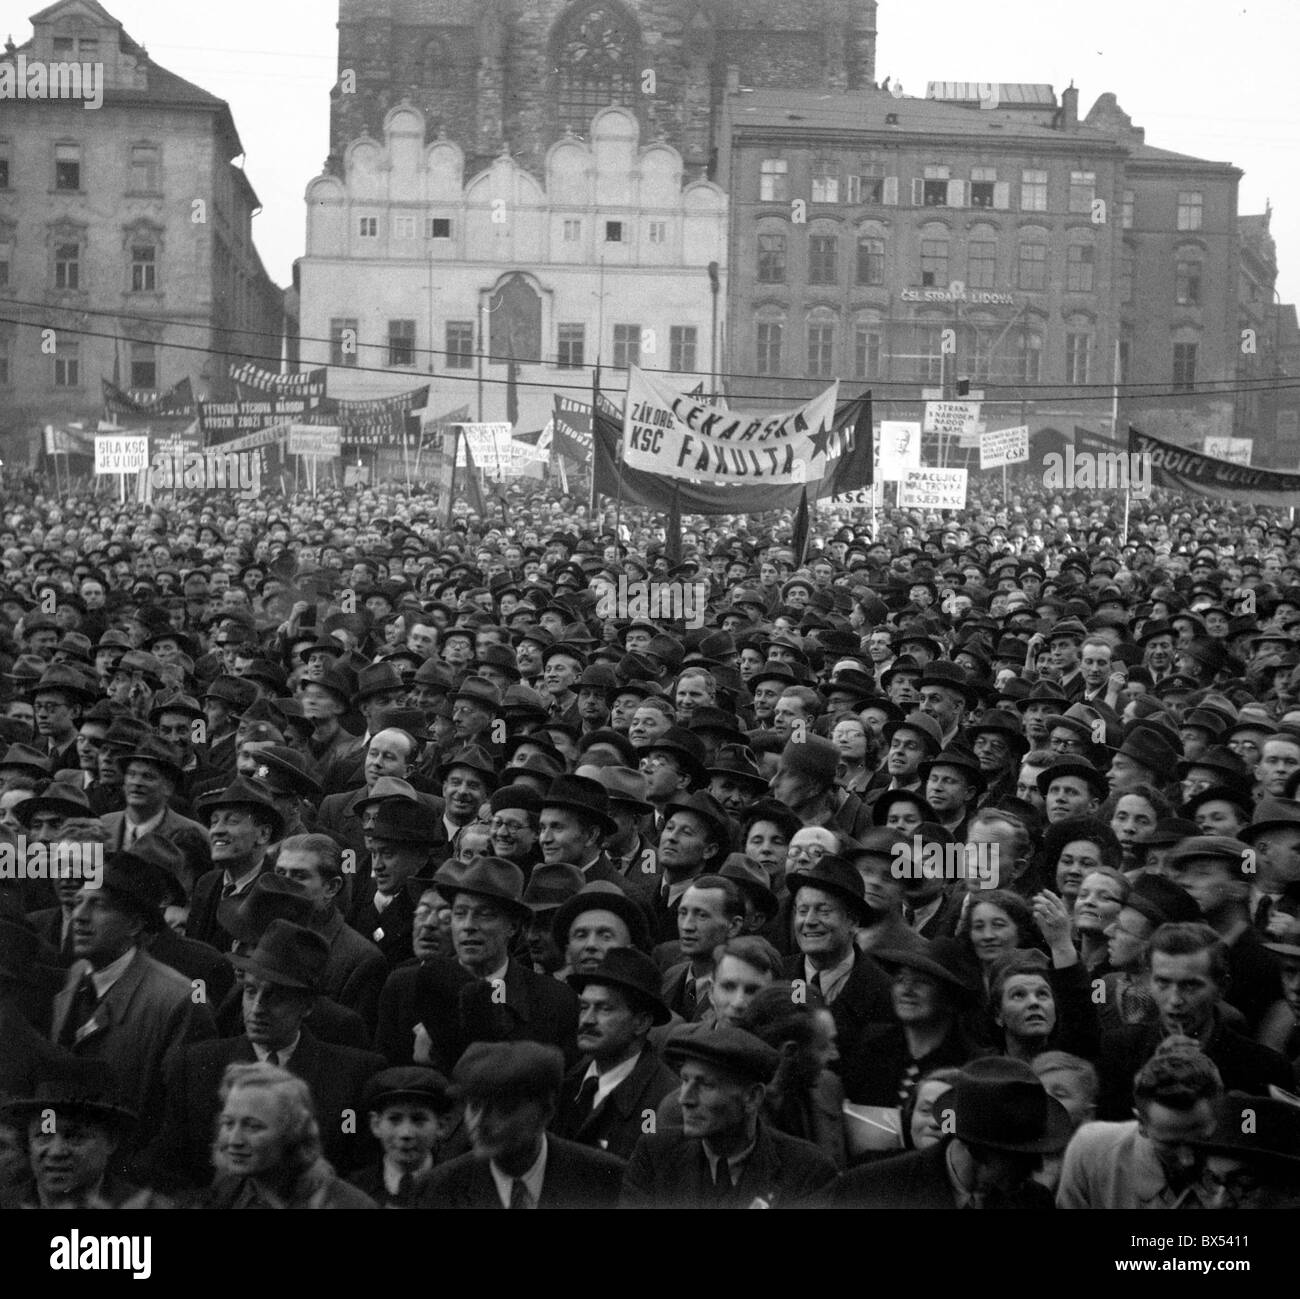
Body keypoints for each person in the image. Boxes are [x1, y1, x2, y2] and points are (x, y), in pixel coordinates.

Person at [149, 920, 385, 1190]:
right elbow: (167, 1168)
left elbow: (359, 1173)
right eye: (251, 991)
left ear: (307, 1006)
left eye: (275, 996)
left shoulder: (352, 1074)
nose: (257, 1007)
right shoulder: (195, 1065)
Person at [620, 1022, 838, 1208]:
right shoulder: (655, 1155)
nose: (685, 1099)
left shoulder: (807, 1172)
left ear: (752, 1097)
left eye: (705, 1085)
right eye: (685, 1080)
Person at [1098, 922, 1292, 1117]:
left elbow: (1253, 1135)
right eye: (1163, 983)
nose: (1175, 1000)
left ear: (1221, 988)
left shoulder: (1264, 1069)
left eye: (1190, 985)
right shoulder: (1118, 1051)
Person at [834, 1056, 1070, 1208]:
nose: (1037, 1168)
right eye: (1021, 1157)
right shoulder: (875, 1191)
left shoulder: (1033, 1202)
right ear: (978, 1150)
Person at [418, 1041, 626, 1208]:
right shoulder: (438, 1189)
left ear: (546, 1111)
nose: (479, 1123)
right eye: (474, 1106)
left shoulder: (605, 1181)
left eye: (502, 1109)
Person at [1057, 1039, 1225, 1209]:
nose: (1186, 1160)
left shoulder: (1248, 1160)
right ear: (1141, 1124)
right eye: (1170, 1144)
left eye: (1200, 1142)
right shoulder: (1091, 1151)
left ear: (1220, 1118)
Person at [191, 1062, 377, 1209]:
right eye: (228, 1123)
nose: (234, 1140)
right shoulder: (224, 1195)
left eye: (253, 1127)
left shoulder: (347, 1204)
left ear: (293, 1132)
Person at [554, 947, 677, 1159]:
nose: (587, 1020)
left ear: (641, 1022)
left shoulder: (666, 1102)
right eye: (584, 1007)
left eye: (605, 1009)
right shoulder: (564, 1083)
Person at [347, 1066, 461, 1207]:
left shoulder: (461, 1189)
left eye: (418, 1119)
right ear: (376, 1125)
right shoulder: (351, 1191)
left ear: (441, 1126)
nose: (406, 1133)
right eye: (394, 1119)